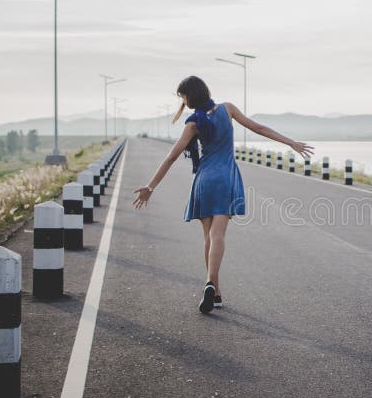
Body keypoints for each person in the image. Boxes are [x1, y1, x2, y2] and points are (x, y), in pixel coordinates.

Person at [132, 75, 315, 313]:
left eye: (183, 96)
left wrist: (151, 187)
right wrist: (290, 142)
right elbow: (258, 128)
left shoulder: (192, 124)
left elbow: (171, 157)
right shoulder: (227, 109)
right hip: (226, 178)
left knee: (208, 237)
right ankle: (212, 286)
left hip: (205, 180)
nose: (183, 101)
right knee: (218, 236)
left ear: (191, 95)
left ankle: (214, 291)